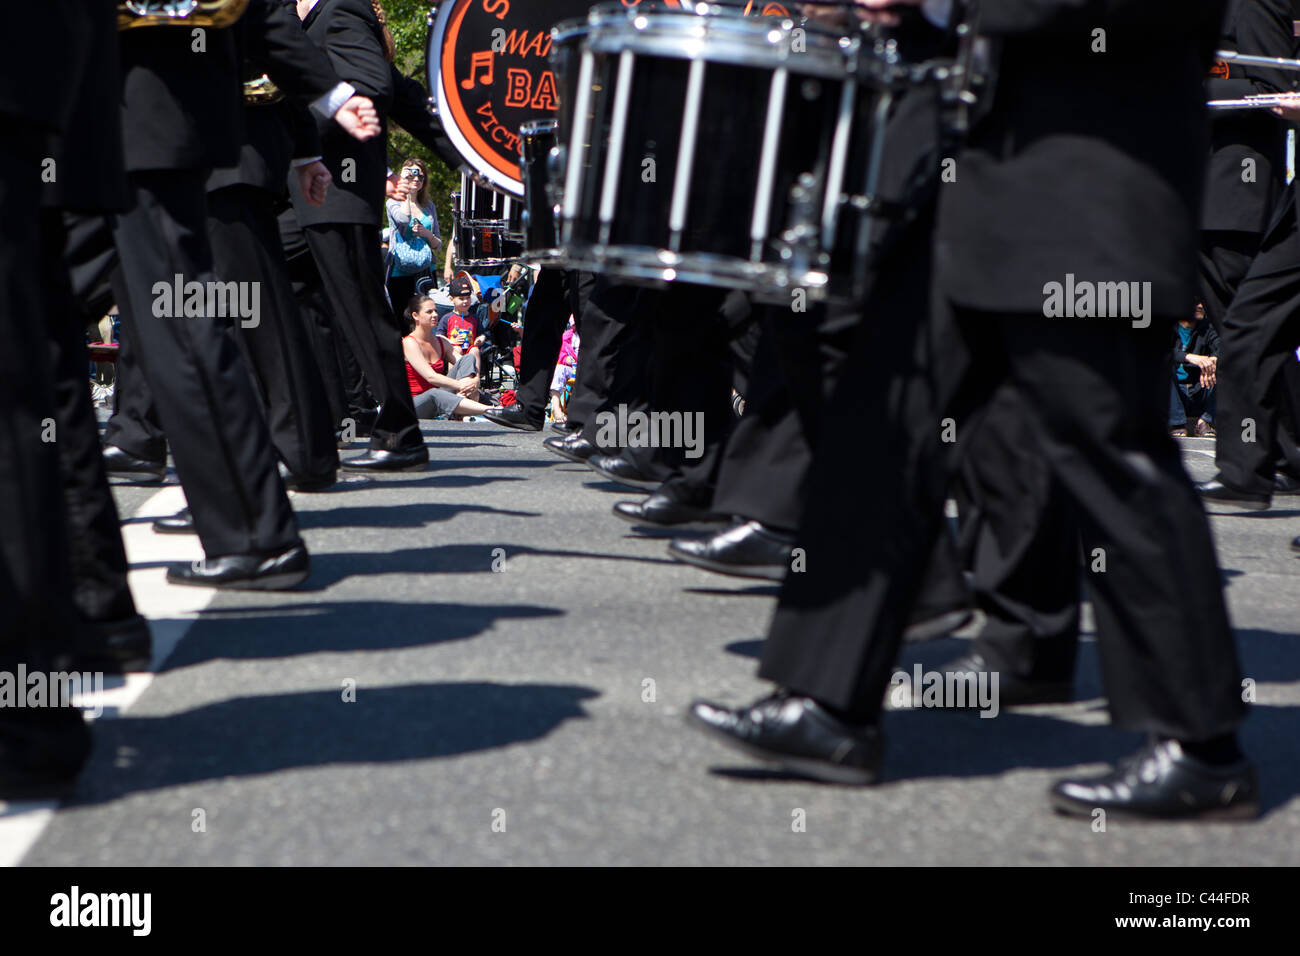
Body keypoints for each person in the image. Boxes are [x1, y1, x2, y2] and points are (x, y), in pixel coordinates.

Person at [689, 0, 1259, 821]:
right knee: (882, 409)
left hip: (1086, 170)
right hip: (967, 167)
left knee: (1106, 445)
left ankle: (1202, 747)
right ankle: (826, 703)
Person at [290, 0, 429, 473]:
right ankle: (325, 421)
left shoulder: (340, 9)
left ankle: (401, 431)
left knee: (362, 313)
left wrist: (295, 130)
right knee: (295, 300)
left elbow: (372, 86)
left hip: (339, 189)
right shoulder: (302, 16)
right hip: (299, 193)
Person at [402, 295, 496, 419]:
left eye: (435, 311)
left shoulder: (441, 341)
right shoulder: (409, 342)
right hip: (415, 405)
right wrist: (461, 385)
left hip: (440, 398)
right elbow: (431, 377)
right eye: (429, 312)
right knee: (434, 393)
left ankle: (463, 404)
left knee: (468, 358)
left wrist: (475, 379)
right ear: (415, 316)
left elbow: (464, 363)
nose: (435, 315)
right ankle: (493, 411)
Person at [386, 158, 441, 317]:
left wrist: (427, 234)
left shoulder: (429, 206)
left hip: (426, 271)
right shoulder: (393, 202)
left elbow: (438, 245)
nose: (416, 179)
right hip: (400, 271)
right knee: (403, 320)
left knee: (427, 320)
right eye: (411, 175)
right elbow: (403, 220)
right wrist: (407, 193)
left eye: (421, 176)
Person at [1171, 304, 1220, 437]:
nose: (1200, 306)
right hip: (1174, 395)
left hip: (1200, 390)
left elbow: (1225, 346)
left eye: (1202, 301)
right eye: (1195, 300)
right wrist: (1189, 357)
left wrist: (1214, 360)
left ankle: (1206, 422)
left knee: (1227, 367)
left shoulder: (1208, 327)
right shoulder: (1168, 324)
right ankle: (1176, 424)